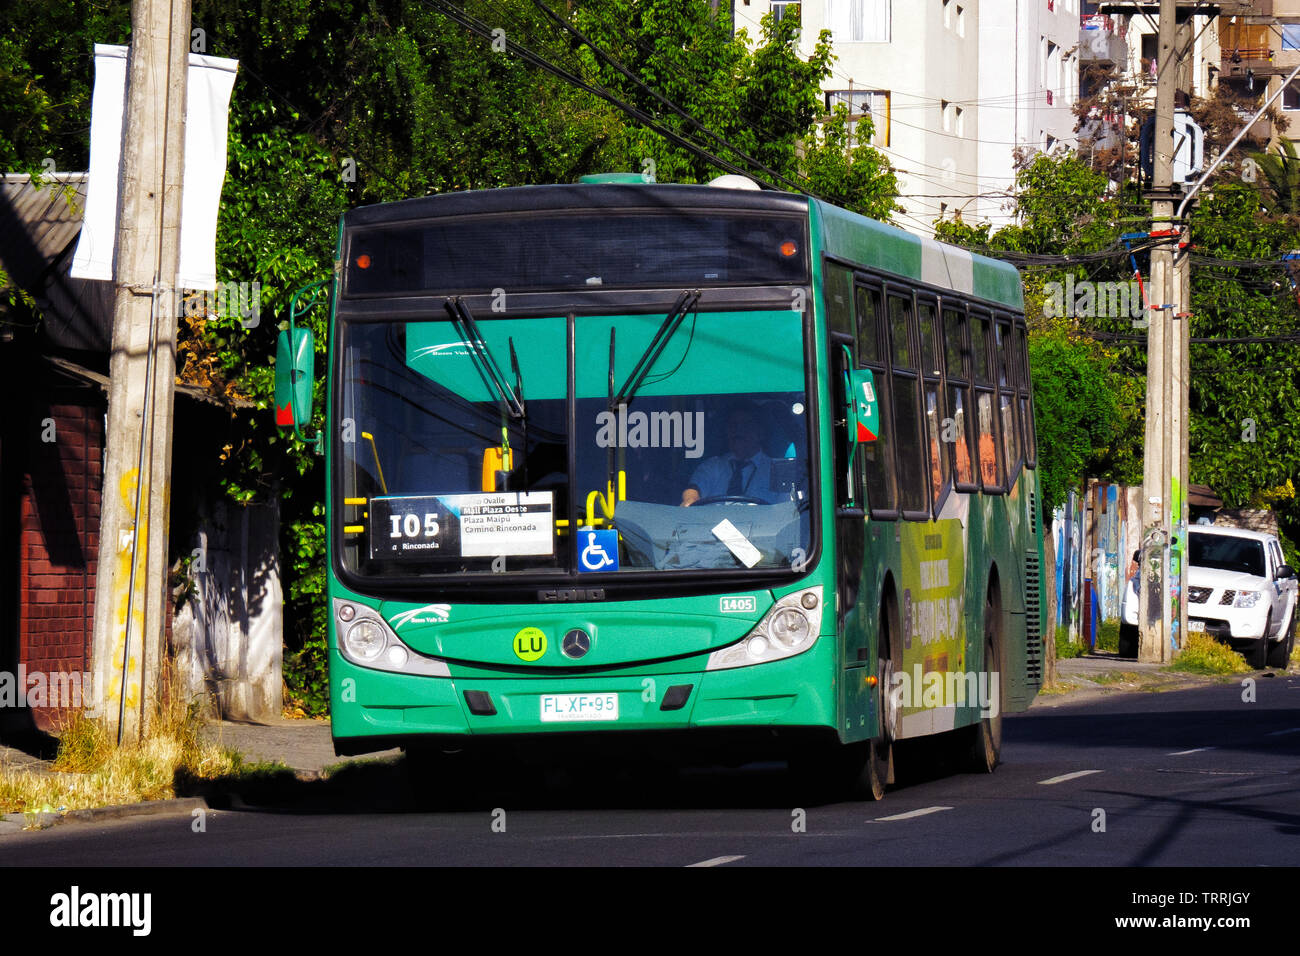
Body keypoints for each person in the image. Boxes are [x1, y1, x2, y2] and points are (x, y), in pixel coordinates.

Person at [680, 406, 784, 506]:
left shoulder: (777, 471)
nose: (738, 431)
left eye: (745, 425)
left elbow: (786, 510)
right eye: (733, 425)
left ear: (760, 432)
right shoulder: (712, 466)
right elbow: (694, 489)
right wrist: (690, 499)